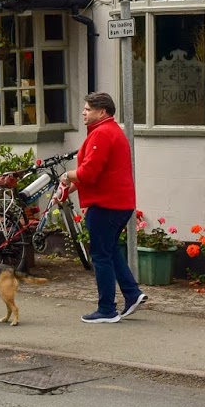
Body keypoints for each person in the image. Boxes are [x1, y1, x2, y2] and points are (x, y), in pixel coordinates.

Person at [57, 91, 145, 323]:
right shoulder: (110, 131)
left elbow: (89, 173)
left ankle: (106, 309)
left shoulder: (103, 134)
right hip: (119, 203)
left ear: (102, 111)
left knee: (100, 255)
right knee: (110, 250)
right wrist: (67, 189)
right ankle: (132, 293)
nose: (84, 112)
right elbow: (94, 175)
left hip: (106, 205)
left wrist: (66, 176)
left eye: (88, 108)